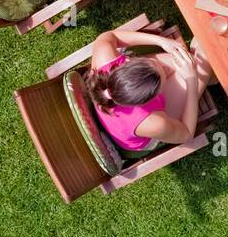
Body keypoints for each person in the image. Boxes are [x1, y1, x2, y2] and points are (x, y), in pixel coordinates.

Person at [86, 27, 214, 154]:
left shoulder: (105, 58)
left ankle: (209, 75)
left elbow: (111, 35)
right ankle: (209, 74)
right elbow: (186, 133)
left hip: (131, 109)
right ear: (156, 97)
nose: (164, 67)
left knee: (188, 59)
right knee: (199, 64)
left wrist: (160, 41)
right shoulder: (154, 122)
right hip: (143, 129)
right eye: (164, 75)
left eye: (153, 63)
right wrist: (191, 80)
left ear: (127, 61)